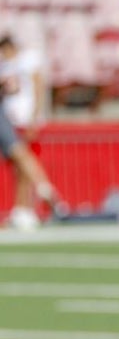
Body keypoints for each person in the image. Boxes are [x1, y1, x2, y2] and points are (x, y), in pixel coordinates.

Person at [0, 35, 58, 230]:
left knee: (24, 159)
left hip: (26, 119)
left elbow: (38, 86)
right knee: (18, 166)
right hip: (11, 119)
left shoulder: (27, 60)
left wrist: (34, 116)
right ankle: (23, 210)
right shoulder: (5, 65)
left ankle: (44, 191)